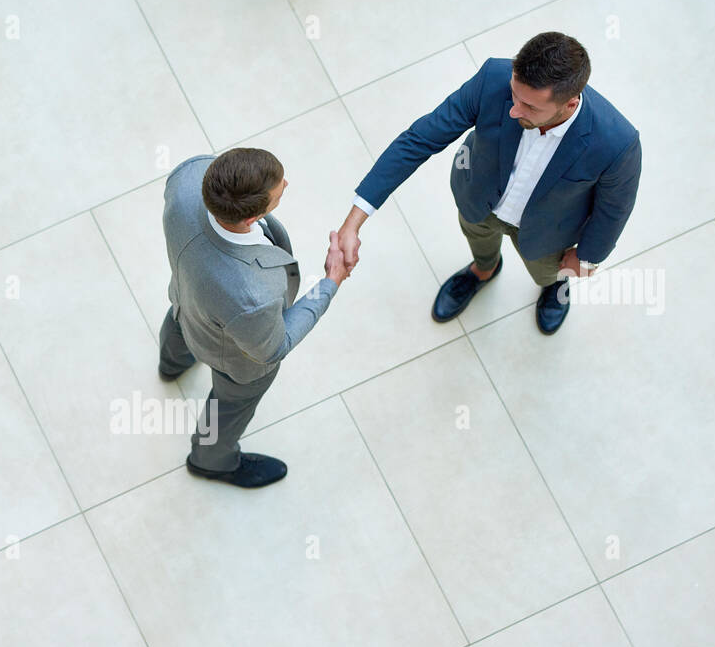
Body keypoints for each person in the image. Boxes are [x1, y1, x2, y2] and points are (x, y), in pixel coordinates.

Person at [336, 31, 641, 334]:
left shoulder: (618, 142)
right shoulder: (494, 76)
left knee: (549, 273)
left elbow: (613, 210)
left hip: (549, 233)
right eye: (514, 94)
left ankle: (553, 288)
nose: (513, 110)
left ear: (570, 104)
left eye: (530, 107)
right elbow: (420, 139)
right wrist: (353, 223)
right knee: (479, 243)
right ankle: (483, 270)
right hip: (477, 200)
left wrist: (588, 256)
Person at [158, 148, 351, 488]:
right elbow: (273, 348)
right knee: (230, 407)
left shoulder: (188, 179)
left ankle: (170, 365)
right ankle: (211, 461)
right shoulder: (251, 294)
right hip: (231, 354)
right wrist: (330, 282)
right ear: (250, 219)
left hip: (185, 300)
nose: (286, 183)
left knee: (179, 326)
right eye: (279, 190)